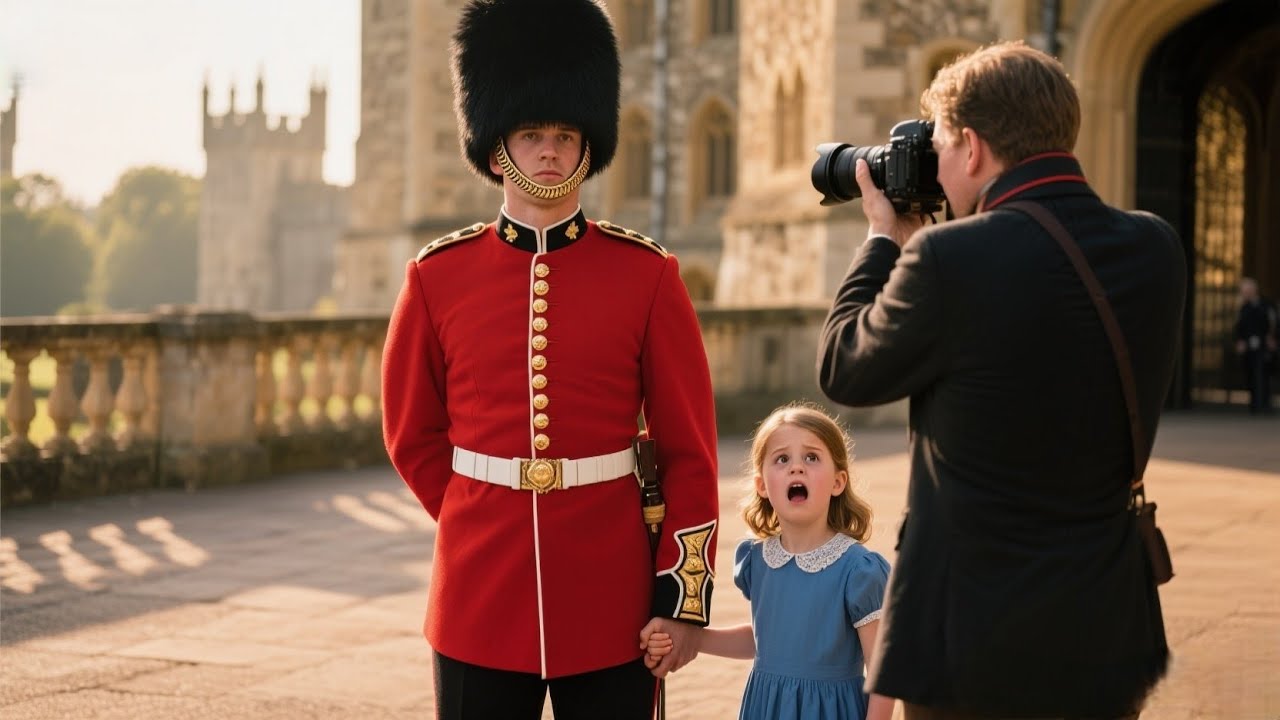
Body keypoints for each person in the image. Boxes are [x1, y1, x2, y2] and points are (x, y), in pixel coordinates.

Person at [816, 41, 1186, 719]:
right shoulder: (1155, 246)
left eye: (943, 147)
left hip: (974, 635)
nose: (939, 165)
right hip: (1108, 621)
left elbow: (845, 367)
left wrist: (882, 239)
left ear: (975, 149)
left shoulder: (949, 258)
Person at [381, 1, 720, 717]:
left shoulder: (647, 275)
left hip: (611, 599)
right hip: (479, 594)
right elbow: (411, 434)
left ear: (588, 142)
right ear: (497, 141)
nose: (549, 151)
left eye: (566, 134)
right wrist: (480, 512)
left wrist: (683, 597)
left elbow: (690, 451)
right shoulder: (436, 276)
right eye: (531, 132)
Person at [640, 403, 894, 720]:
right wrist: (694, 638)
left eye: (812, 457)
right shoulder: (758, 560)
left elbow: (883, 668)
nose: (796, 468)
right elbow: (765, 640)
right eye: (782, 459)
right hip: (767, 707)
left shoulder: (858, 570)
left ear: (837, 482)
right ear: (762, 485)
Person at [1234, 277, 1277, 414]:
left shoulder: (1266, 305)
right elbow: (1239, 327)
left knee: (1264, 375)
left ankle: (1264, 404)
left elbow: (1274, 323)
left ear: (1254, 290)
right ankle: (1254, 404)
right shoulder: (1244, 308)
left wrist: (1273, 339)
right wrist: (1240, 340)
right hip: (1249, 346)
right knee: (1250, 374)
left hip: (1264, 345)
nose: (1245, 294)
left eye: (1247, 291)